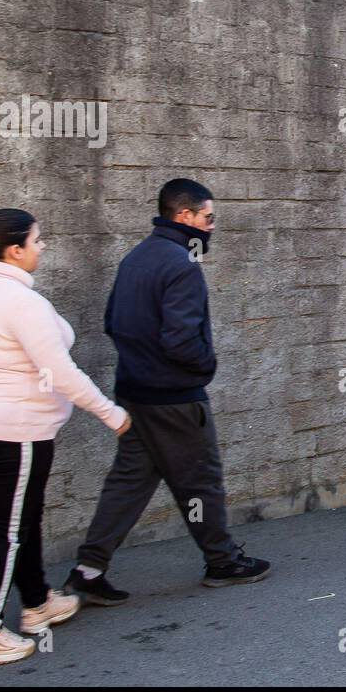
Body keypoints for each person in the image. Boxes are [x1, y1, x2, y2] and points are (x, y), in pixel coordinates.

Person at [64, 179, 270, 604]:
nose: (212, 227)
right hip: (175, 398)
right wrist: (204, 367)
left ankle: (88, 571)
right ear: (185, 216)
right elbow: (181, 340)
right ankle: (223, 561)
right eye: (208, 218)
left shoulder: (135, 259)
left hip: (135, 393)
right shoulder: (180, 264)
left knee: (129, 483)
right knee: (201, 480)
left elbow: (111, 323)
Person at [0, 209, 131, 667]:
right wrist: (112, 414)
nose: (42, 247)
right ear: (15, 250)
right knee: (8, 533)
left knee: (22, 518)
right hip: (13, 433)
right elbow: (59, 371)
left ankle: (37, 603)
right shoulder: (20, 303)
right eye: (38, 240)